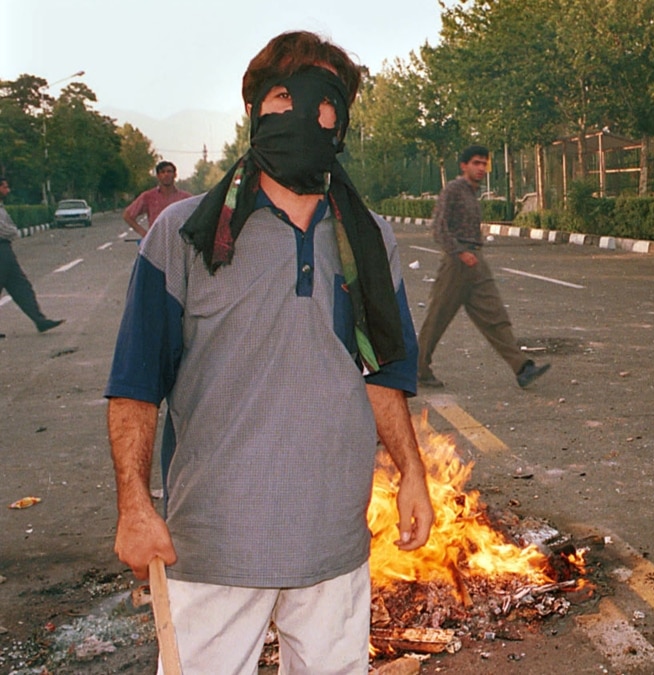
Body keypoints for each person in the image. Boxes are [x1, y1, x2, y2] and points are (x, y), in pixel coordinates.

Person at [105, 31, 435, 671]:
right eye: (282, 94)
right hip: (214, 549)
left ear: (340, 120)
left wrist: (412, 473)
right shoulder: (186, 234)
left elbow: (380, 372)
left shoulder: (366, 239)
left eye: (323, 99)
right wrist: (134, 504)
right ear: (255, 111)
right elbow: (136, 384)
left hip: (335, 548)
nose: (302, 113)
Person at [418, 145, 551, 388]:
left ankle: (522, 367)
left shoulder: (472, 193)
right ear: (464, 165)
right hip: (457, 263)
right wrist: (459, 252)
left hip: (476, 262)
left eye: (484, 164)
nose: (481, 168)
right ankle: (418, 369)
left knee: (495, 314)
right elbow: (438, 227)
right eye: (476, 163)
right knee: (437, 317)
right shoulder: (454, 190)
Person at [0, 178, 65, 338]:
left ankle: (39, 320)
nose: (8, 190)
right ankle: (39, 320)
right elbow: (5, 230)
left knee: (21, 286)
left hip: (5, 250)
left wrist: (12, 231)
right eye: (5, 187)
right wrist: (13, 231)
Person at [122, 161, 192, 237]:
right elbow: (127, 215)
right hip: (156, 240)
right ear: (158, 176)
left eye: (169, 171)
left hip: (178, 241)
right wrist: (144, 234)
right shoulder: (148, 196)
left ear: (175, 175)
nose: (166, 174)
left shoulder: (185, 198)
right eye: (162, 172)